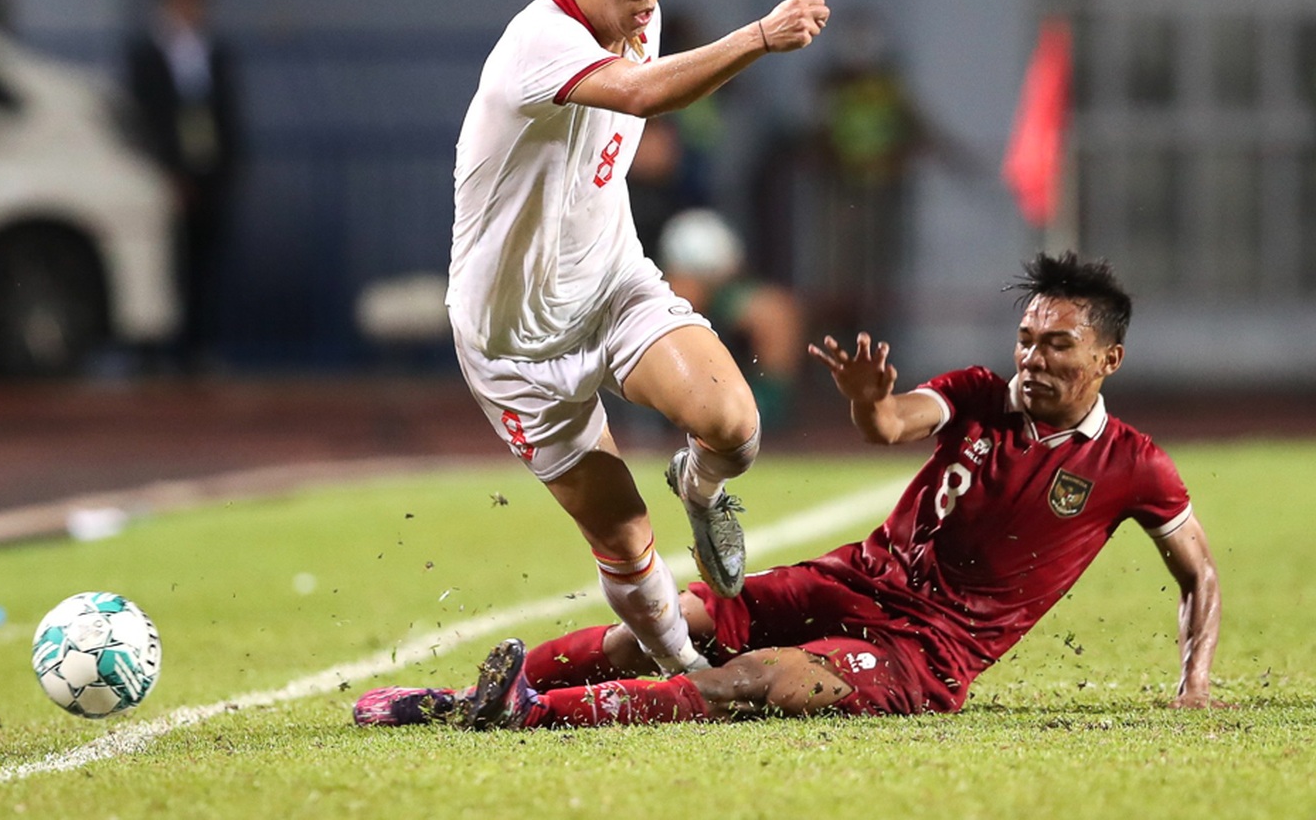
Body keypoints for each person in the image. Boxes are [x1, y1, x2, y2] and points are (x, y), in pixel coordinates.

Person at [357, 251, 1226, 727]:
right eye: (1028, 338)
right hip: (855, 581)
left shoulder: (1133, 465)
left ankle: (526, 717)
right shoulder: (977, 392)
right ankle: (458, 702)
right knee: (672, 620)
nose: (1033, 358)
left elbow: (1198, 574)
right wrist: (867, 401)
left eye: (1057, 346)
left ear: (1108, 358)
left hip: (929, 652)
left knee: (762, 678)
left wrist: (1195, 680)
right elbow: (892, 425)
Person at [445, 0, 830, 676]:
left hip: (614, 287)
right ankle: (688, 669)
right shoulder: (537, 43)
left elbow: (646, 86)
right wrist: (758, 35)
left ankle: (699, 487)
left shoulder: (636, 17)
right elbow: (646, 95)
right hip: (514, 343)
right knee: (621, 536)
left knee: (735, 427)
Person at [126, 0, 245, 373]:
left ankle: (197, 350)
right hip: (164, 177)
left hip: (208, 175)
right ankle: (152, 354)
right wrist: (167, 171)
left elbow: (227, 115)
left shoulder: (214, 52)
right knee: (159, 265)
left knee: (204, 268)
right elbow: (144, 118)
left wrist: (226, 171)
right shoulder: (146, 54)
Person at [658, 208, 805, 431]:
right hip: (675, 396)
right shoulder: (657, 295)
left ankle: (763, 409)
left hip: (735, 398)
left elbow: (772, 312)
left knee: (775, 312)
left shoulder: (728, 293)